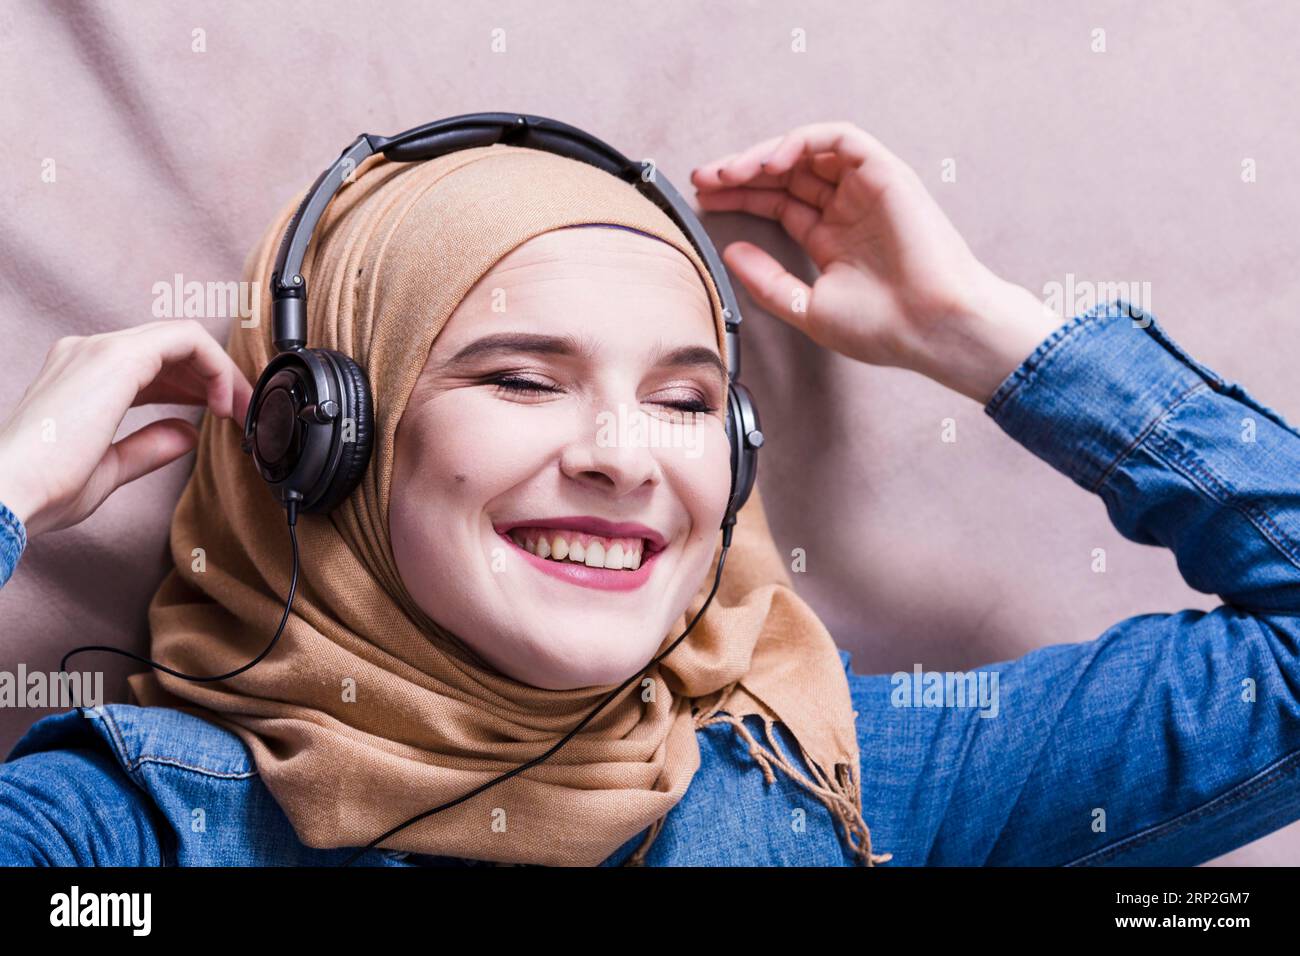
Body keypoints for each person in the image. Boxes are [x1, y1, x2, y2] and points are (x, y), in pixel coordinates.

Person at [1, 121, 1298, 867]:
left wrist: (982, 332)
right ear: (319, 440)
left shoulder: (853, 784)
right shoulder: (133, 831)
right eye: (520, 377)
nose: (628, 454)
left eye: (685, 400)